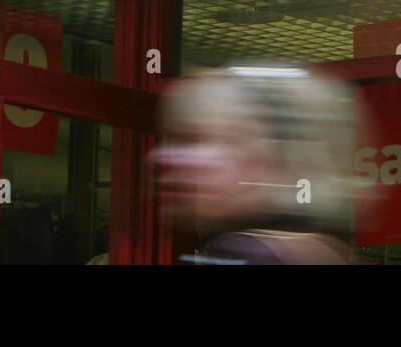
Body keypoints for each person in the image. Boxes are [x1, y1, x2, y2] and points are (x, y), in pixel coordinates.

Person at [151, 63, 354, 264]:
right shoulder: (322, 251)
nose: (165, 155)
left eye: (196, 138)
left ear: (265, 160)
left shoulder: (245, 255)